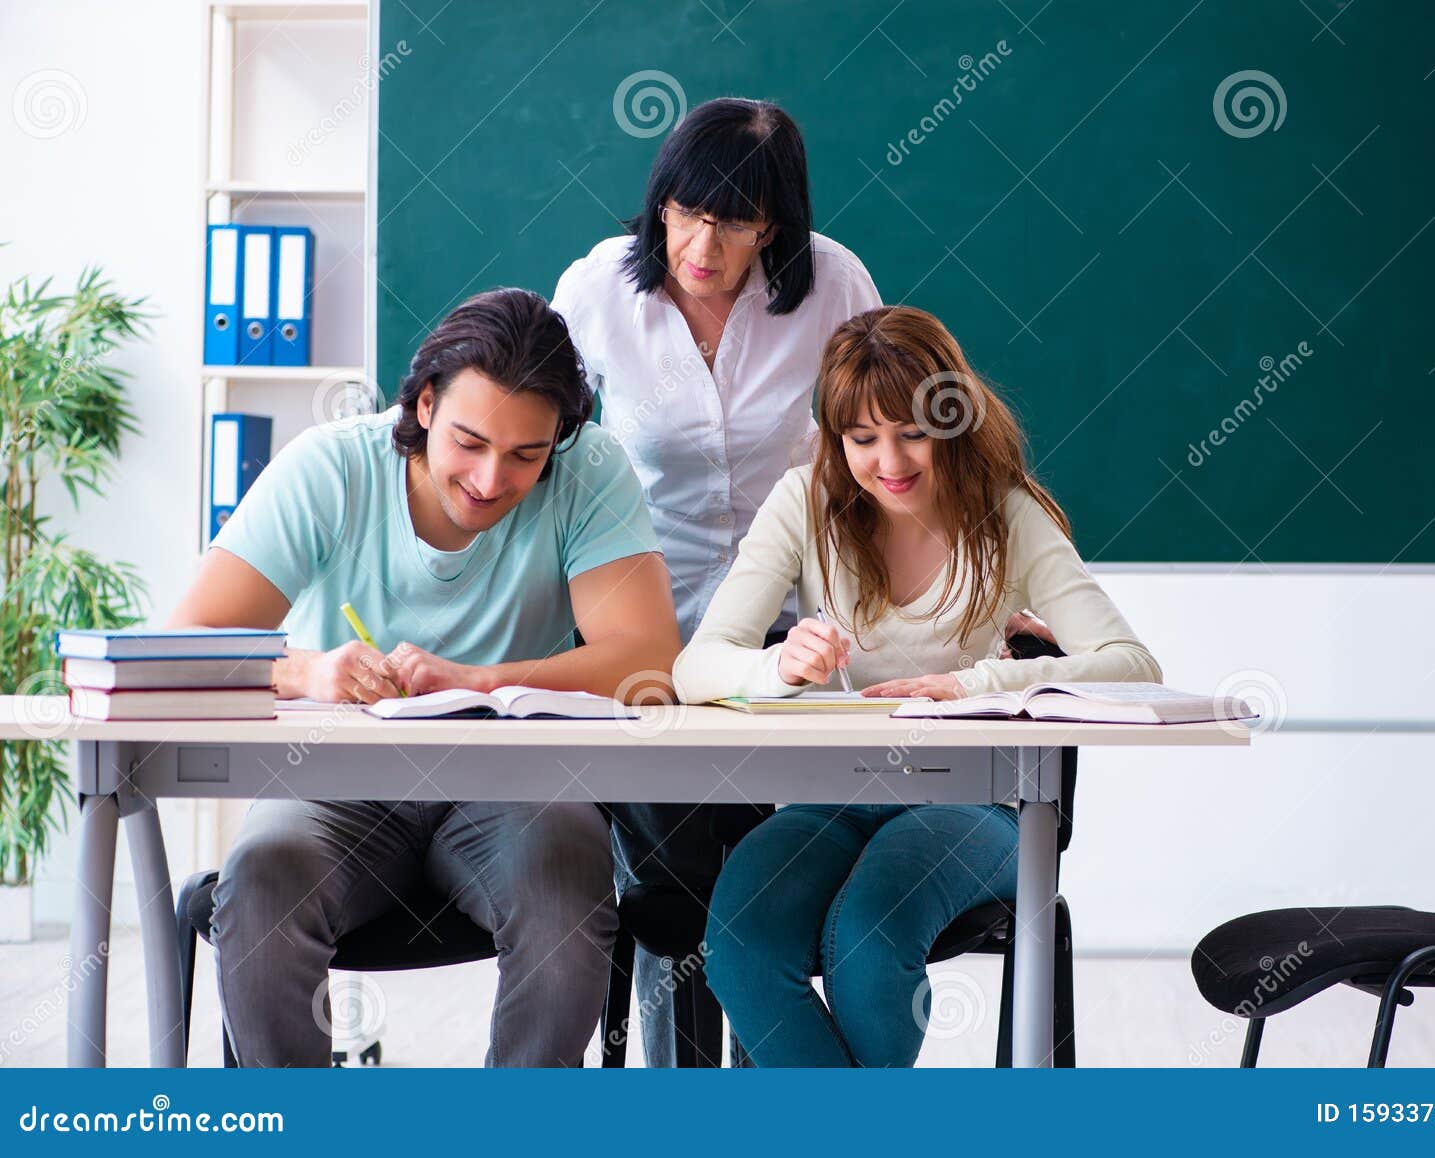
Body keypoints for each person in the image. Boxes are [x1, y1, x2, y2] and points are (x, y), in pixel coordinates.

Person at [167, 288, 680, 1067]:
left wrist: (480, 681)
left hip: (513, 784)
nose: (488, 479)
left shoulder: (590, 471)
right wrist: (309, 671)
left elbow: (648, 657)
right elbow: (185, 646)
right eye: (469, 442)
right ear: (426, 403)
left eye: (526, 456)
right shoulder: (332, 468)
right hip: (332, 783)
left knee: (567, 891)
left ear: (561, 441)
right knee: (262, 884)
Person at [675, 305, 1162, 1066]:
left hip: (980, 805)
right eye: (862, 439)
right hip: (828, 797)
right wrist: (777, 667)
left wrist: (973, 682)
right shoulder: (804, 503)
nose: (889, 461)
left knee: (869, 936)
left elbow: (1131, 664)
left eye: (912, 432)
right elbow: (694, 669)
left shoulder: (1008, 513)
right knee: (740, 944)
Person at [550, 96, 881, 1063]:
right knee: (673, 889)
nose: (703, 240)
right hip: (642, 629)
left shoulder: (833, 285)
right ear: (660, 205)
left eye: (734, 221)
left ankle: (764, 1089)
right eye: (686, 211)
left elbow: (871, 449)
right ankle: (680, 1094)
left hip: (790, 628)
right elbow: (545, 447)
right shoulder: (602, 289)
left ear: (774, 223)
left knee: (767, 887)